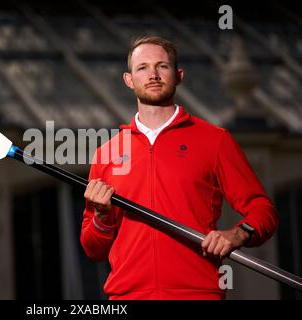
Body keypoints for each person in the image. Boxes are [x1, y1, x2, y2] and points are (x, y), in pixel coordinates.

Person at [80, 35, 279, 300]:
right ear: (129, 80)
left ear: (178, 75)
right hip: (127, 297)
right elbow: (93, 249)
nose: (153, 74)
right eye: (142, 68)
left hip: (198, 294)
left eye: (162, 66)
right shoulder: (108, 153)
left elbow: (262, 210)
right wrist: (102, 218)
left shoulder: (214, 140)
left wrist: (237, 234)